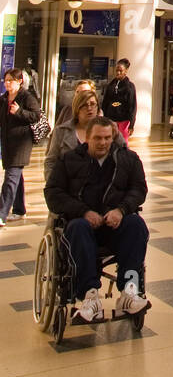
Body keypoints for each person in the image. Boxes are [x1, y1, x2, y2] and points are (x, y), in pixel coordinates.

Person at [44, 116, 149, 323]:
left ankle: (129, 291)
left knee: (136, 225)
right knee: (78, 228)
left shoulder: (128, 159)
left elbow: (138, 189)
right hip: (82, 224)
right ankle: (90, 296)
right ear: (87, 138)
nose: (103, 143)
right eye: (98, 138)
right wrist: (83, 211)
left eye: (107, 138)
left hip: (114, 225)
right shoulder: (69, 160)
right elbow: (53, 193)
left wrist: (121, 210)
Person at [44, 86, 126, 187]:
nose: (89, 108)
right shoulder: (62, 131)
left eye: (93, 104)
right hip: (70, 189)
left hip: (103, 188)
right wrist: (54, 185)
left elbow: (125, 154)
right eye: (84, 105)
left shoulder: (110, 127)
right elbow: (51, 161)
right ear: (77, 108)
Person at [0, 69, 40, 225]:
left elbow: (36, 115)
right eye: (6, 80)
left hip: (22, 143)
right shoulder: (3, 99)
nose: (8, 83)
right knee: (16, 177)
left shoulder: (26, 97)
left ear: (20, 81)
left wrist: (19, 112)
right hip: (8, 143)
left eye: (11, 80)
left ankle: (2, 213)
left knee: (10, 178)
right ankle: (19, 210)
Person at [103, 59, 137, 141]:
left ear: (126, 71)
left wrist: (131, 124)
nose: (118, 73)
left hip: (124, 121)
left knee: (122, 143)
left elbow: (133, 106)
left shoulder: (130, 87)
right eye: (117, 70)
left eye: (120, 71)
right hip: (110, 120)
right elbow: (105, 103)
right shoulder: (110, 86)